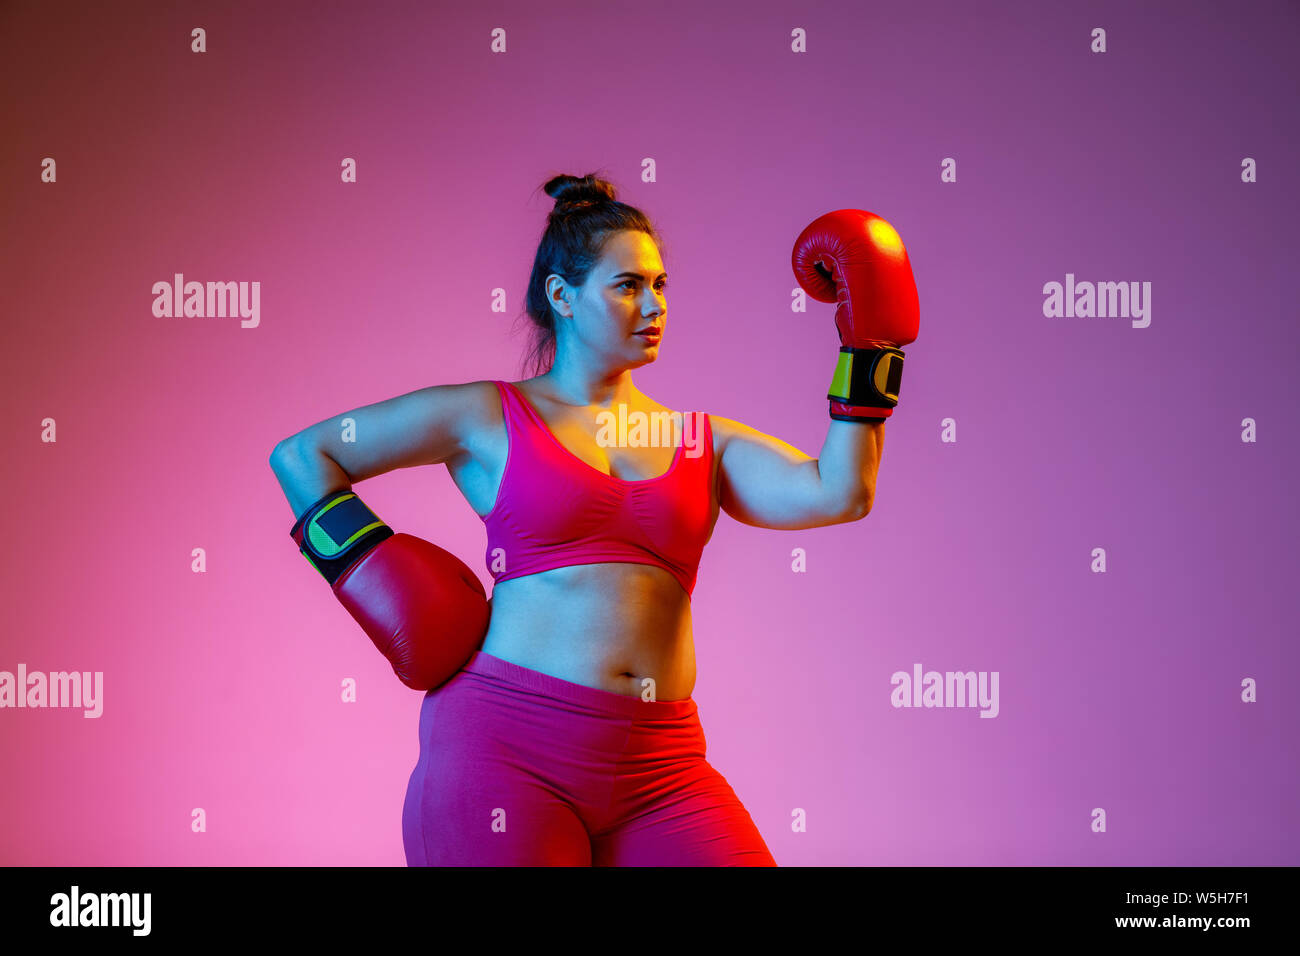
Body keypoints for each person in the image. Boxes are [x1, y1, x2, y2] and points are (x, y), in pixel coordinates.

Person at [269, 172, 901, 865]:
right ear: (562, 297)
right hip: (506, 750)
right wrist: (373, 571)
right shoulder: (485, 416)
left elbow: (839, 491)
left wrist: (871, 350)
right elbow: (305, 455)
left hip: (663, 768)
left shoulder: (703, 441)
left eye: (660, 285)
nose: (653, 304)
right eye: (628, 286)